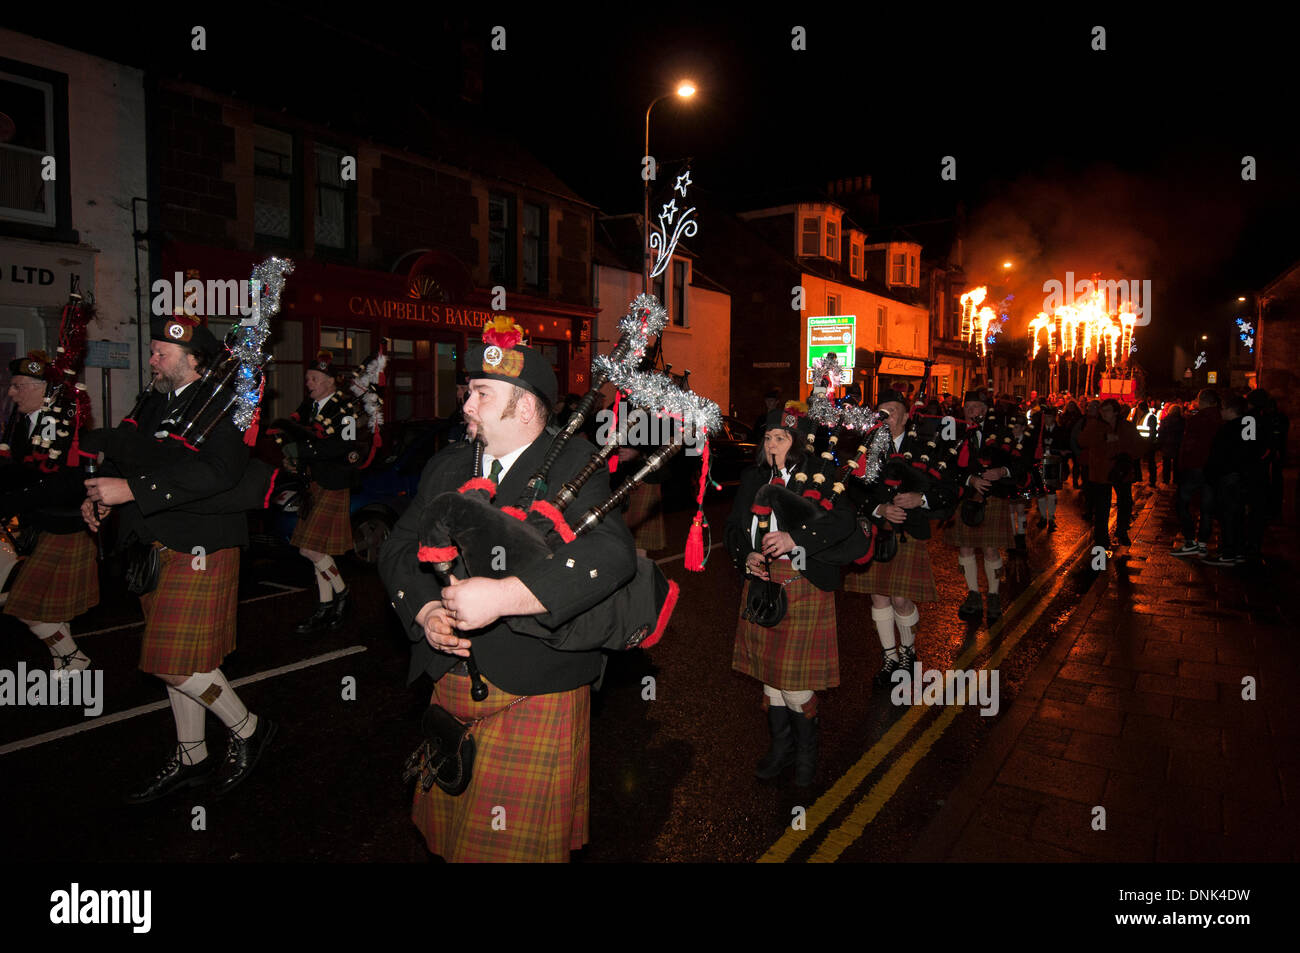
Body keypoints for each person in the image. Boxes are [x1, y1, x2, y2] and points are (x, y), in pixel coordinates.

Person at [379, 317, 636, 862]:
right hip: (451, 681)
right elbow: (398, 548)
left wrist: (505, 595)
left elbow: (610, 555)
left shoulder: (576, 463)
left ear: (523, 406)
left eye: (481, 394)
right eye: (469, 391)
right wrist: (425, 611)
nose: (466, 404)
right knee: (451, 846)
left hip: (532, 683)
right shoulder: (448, 465)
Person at [83, 314, 276, 802]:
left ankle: (248, 728)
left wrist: (131, 490)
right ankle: (192, 753)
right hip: (152, 545)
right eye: (153, 351)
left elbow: (217, 474)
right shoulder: (153, 401)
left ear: (194, 361)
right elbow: (127, 453)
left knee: (172, 663)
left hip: (201, 545)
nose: (152, 359)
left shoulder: (227, 404)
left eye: (160, 354)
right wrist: (102, 493)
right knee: (181, 661)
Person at [727, 400, 855, 786]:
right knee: (771, 680)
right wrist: (745, 556)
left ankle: (805, 756)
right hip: (762, 586)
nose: (771, 445)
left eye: (780, 438)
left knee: (797, 687)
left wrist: (794, 538)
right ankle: (781, 750)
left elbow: (843, 521)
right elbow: (734, 526)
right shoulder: (754, 479)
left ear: (797, 441)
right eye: (767, 437)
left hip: (801, 586)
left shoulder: (821, 474)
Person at [844, 390, 955, 686]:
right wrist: (880, 508)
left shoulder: (924, 446)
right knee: (878, 596)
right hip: (878, 532)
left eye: (892, 411)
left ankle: (909, 652)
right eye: (881, 411)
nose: (886, 417)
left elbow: (948, 487)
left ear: (906, 416)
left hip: (909, 533)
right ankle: (889, 657)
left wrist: (922, 499)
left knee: (901, 598)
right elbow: (853, 490)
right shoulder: (866, 447)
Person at [0, 351, 99, 672]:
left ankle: (73, 657)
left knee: (25, 605)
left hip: (64, 526)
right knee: (50, 610)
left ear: (40, 388)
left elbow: (65, 483)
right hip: (36, 525)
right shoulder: (20, 424)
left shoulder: (65, 425)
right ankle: (63, 662)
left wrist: (11, 502)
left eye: (18, 386)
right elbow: (19, 473)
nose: (11, 393)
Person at [278, 350, 362, 635]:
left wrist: (301, 451)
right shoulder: (310, 407)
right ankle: (325, 606)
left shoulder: (345, 409)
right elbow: (296, 432)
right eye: (307, 378)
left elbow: (342, 446)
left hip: (335, 483)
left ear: (329, 382)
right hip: (315, 482)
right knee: (319, 550)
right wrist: (292, 455)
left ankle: (342, 593)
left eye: (314, 378)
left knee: (309, 548)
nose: (309, 383)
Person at [950, 391, 1017, 624]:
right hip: (966, 496)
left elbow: (1018, 464)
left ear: (985, 410)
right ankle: (973, 594)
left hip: (993, 496)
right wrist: (970, 480)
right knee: (966, 548)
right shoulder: (954, 433)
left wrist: (1001, 472)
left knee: (990, 549)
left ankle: (994, 595)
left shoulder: (1001, 432)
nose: (970, 411)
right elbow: (947, 467)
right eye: (967, 406)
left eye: (976, 406)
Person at [1077, 398, 1144, 550]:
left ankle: (1122, 531)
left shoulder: (1126, 427)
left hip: (1121, 471)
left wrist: (1127, 456)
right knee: (1102, 507)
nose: (1103, 413)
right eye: (1102, 410)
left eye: (1106, 410)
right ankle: (1102, 539)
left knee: (1125, 502)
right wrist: (1104, 438)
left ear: (1115, 412)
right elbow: (1082, 441)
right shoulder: (1095, 426)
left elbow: (1139, 445)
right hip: (1101, 473)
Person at [1202, 396, 1253, 566]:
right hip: (1239, 476)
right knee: (1236, 516)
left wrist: (1212, 474)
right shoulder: (1247, 424)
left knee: (1228, 516)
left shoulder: (1229, 429)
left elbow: (1220, 455)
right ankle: (1238, 551)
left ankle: (1228, 553)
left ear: (1231, 410)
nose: (1220, 411)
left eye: (1223, 408)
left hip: (1229, 477)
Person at [1172, 389, 1223, 558]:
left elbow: (1189, 446)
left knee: (1182, 503)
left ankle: (1190, 540)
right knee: (1207, 507)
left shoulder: (1198, 420)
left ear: (1203, 402)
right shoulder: (1221, 419)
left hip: (1195, 466)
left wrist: (1181, 466)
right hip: (1213, 468)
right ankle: (1202, 543)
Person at [1034, 405, 1064, 532]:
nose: (1047, 419)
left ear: (1054, 418)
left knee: (1051, 492)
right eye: (1045, 417)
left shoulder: (1060, 430)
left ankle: (1051, 518)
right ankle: (1042, 517)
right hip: (1040, 462)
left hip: (1054, 463)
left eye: (1049, 417)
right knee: (1040, 492)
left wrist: (1055, 451)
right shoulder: (1038, 430)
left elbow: (1064, 446)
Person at [1157, 403, 1184, 486]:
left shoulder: (1165, 420)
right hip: (1177, 444)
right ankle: (1176, 480)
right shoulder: (1182, 420)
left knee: (1166, 463)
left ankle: (1166, 480)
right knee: (1176, 464)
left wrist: (1160, 443)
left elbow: (1161, 432)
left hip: (1167, 444)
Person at [1136, 401, 1160, 487]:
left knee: (1151, 463)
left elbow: (1152, 431)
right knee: (1144, 462)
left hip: (1148, 444)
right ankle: (1139, 479)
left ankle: (1152, 481)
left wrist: (1148, 443)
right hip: (1143, 443)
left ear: (1140, 408)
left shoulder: (1150, 417)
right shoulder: (1143, 417)